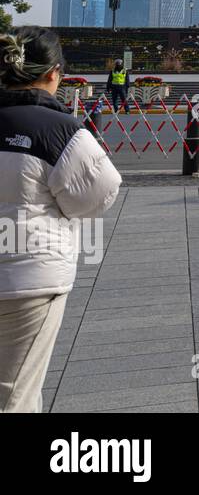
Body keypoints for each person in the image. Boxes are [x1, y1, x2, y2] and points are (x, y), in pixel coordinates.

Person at [1, 27, 121, 412]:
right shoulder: (60, 130)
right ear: (55, 73)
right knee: (15, 394)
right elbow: (99, 194)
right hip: (29, 283)